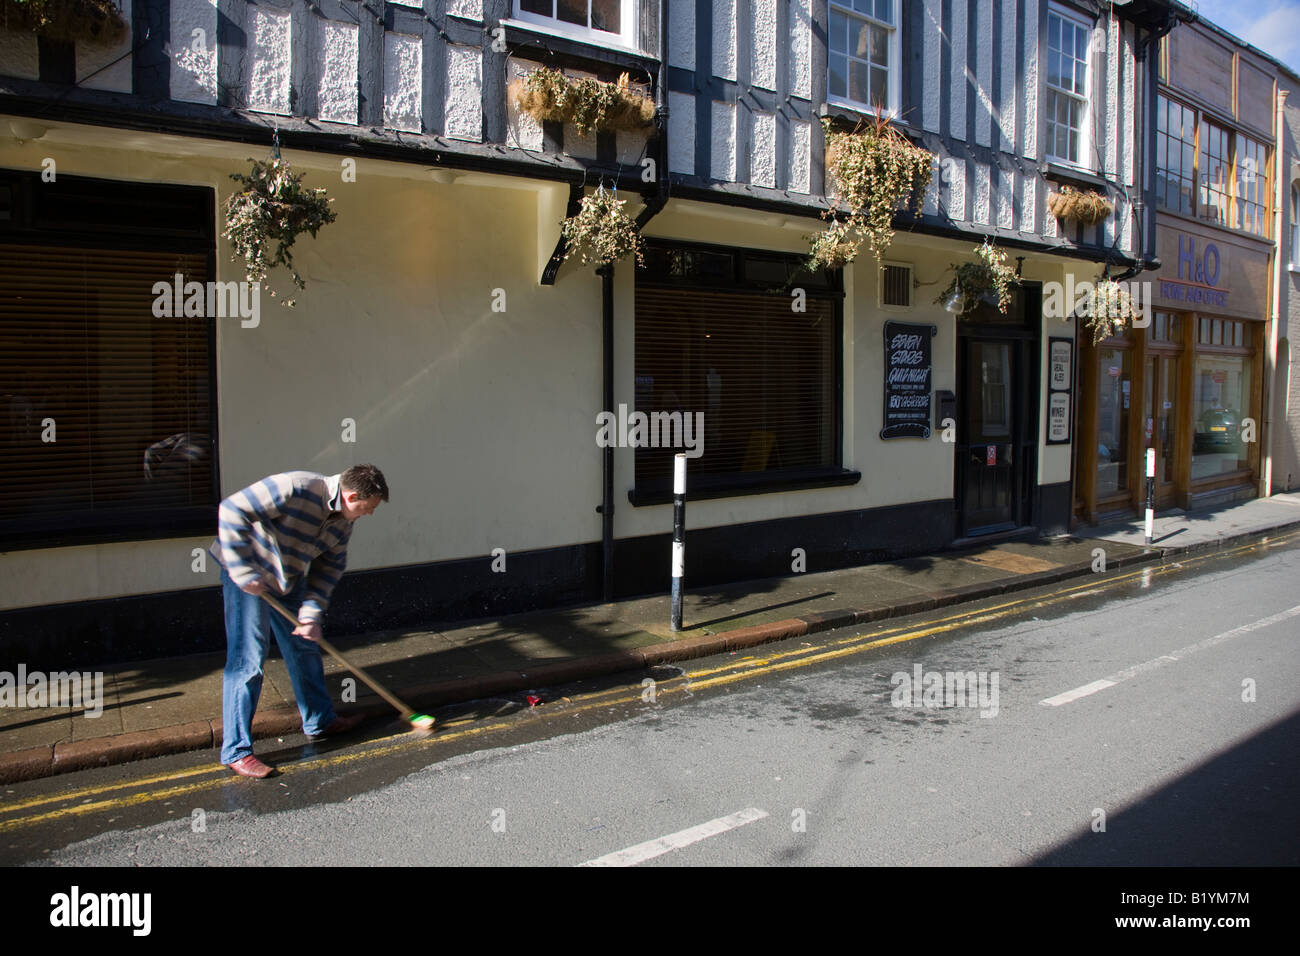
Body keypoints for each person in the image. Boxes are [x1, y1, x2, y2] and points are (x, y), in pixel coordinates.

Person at [211, 464, 389, 778]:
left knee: (305, 645)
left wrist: (310, 615)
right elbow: (231, 510)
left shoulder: (343, 523)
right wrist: (242, 572)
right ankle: (236, 751)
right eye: (368, 507)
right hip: (247, 574)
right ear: (350, 495)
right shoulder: (294, 487)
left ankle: (320, 720)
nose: (370, 514)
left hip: (286, 577)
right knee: (248, 659)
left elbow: (328, 571)